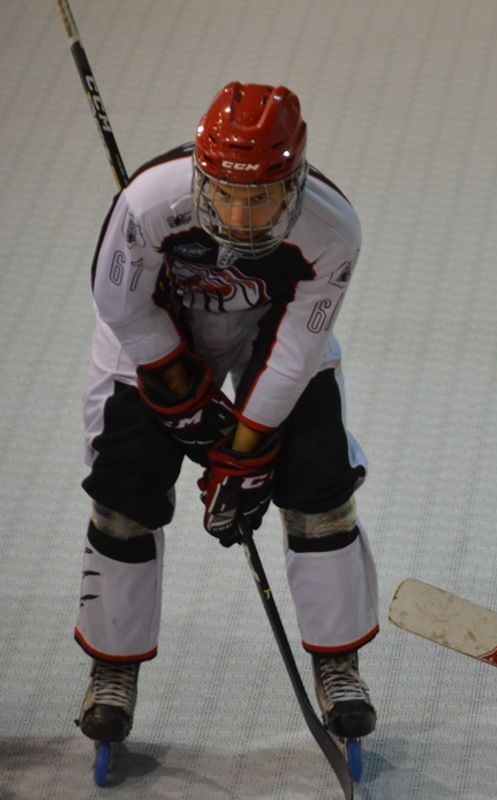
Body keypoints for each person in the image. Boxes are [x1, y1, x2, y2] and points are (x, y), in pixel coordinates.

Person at [74, 82, 378, 748]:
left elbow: (297, 348)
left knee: (318, 479)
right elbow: (120, 304)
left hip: (270, 334)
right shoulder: (149, 203)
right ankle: (111, 669)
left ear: (293, 184)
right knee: (125, 489)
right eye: (226, 193)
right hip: (155, 335)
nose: (241, 215)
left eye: (260, 196)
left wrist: (243, 452)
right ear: (201, 176)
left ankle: (338, 665)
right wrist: (182, 400)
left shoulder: (334, 230)